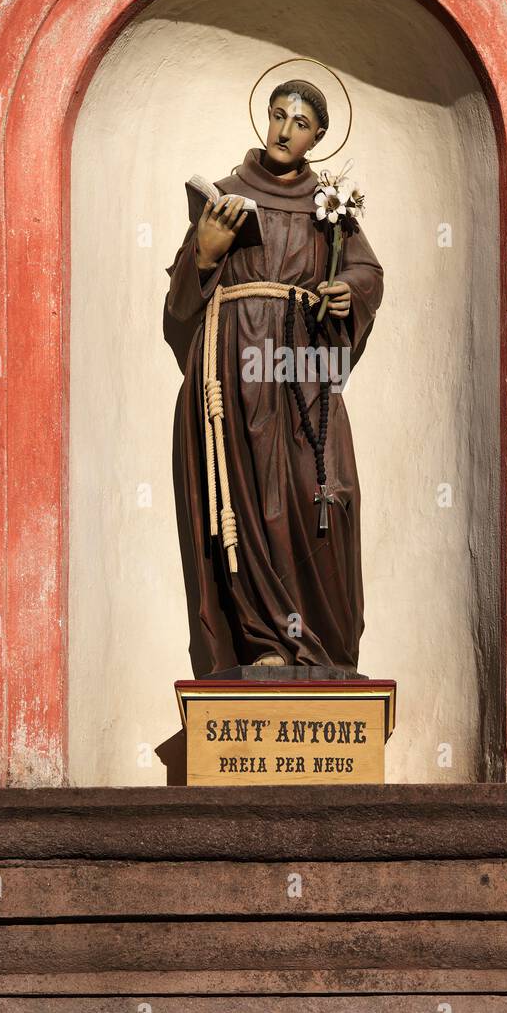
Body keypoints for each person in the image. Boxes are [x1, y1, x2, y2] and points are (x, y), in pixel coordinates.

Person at [163, 78, 383, 675]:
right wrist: (206, 251)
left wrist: (346, 293)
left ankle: (321, 649)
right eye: (278, 115)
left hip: (304, 372)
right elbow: (180, 304)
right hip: (232, 375)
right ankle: (261, 641)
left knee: (319, 495)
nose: (285, 131)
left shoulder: (331, 207)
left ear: (318, 137)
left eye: (301, 122)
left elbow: (367, 274)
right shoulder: (228, 196)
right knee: (247, 500)